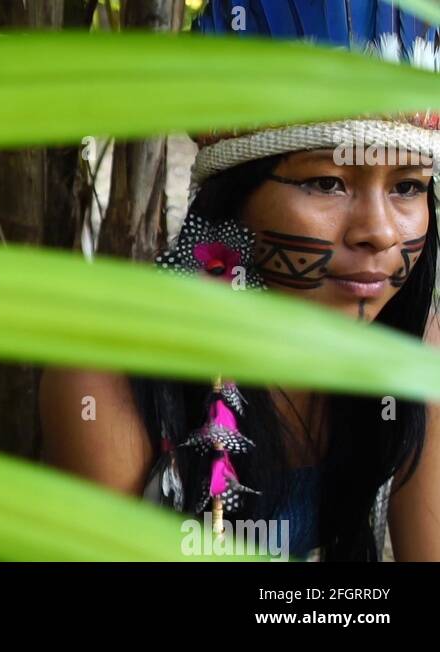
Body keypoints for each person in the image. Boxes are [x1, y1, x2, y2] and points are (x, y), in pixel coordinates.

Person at [39, 0, 440, 561]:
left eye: (407, 187)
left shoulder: (421, 350)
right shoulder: (110, 380)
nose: (378, 232)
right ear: (234, 202)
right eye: (326, 182)